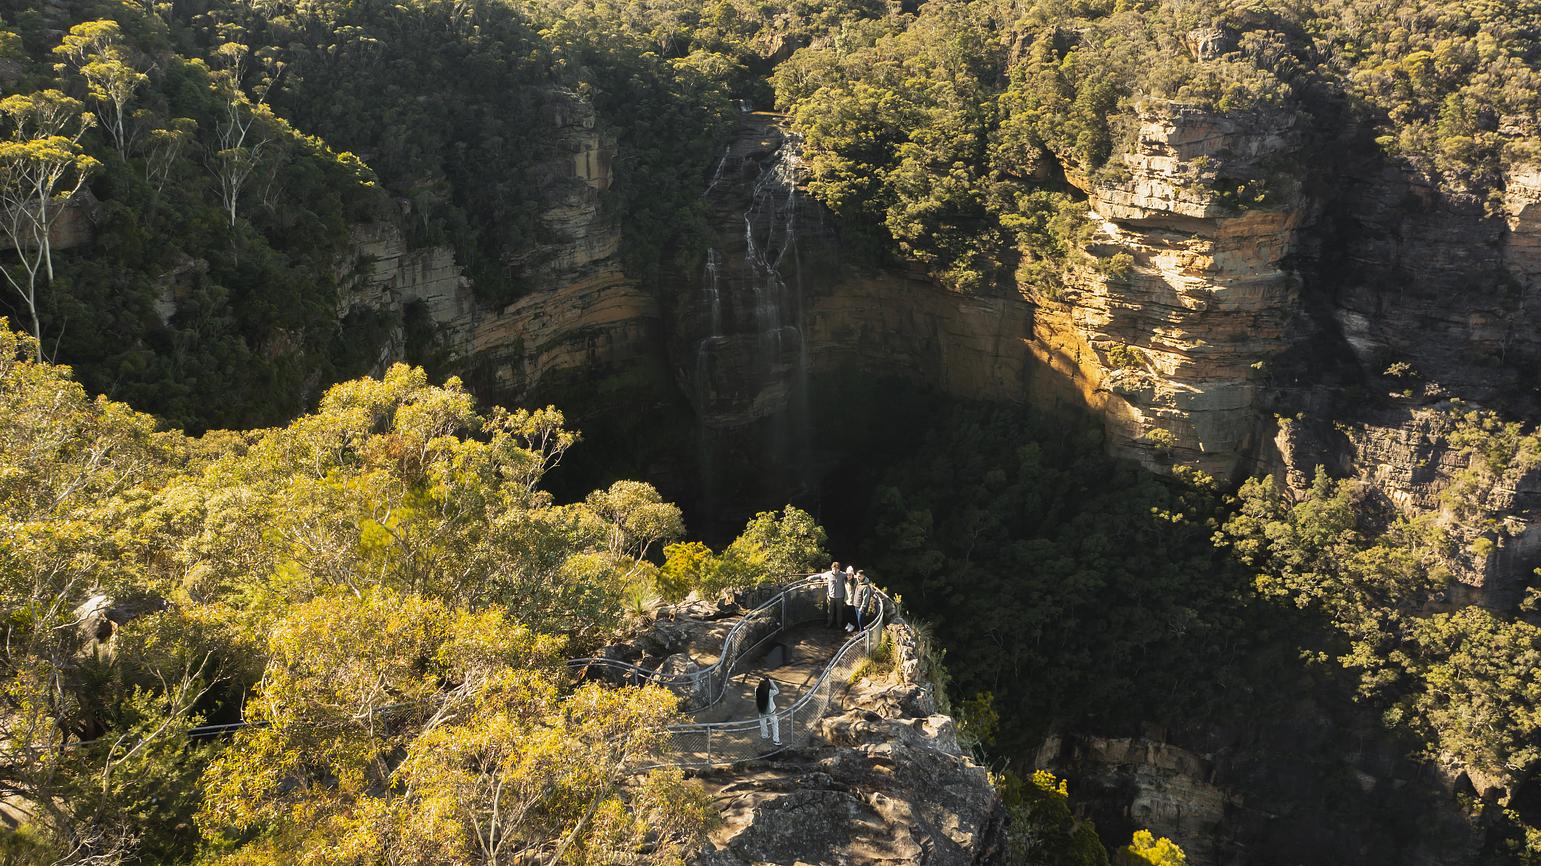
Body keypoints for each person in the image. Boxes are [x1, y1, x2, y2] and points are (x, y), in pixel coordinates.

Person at [755, 676, 781, 746]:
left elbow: (759, 687)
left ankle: (764, 736)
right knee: (775, 724)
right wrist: (772, 683)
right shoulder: (769, 692)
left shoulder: (756, 689)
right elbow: (777, 691)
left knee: (763, 723)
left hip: (762, 711)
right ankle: (776, 740)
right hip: (771, 712)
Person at [823, 561, 845, 629]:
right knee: (830, 611)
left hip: (840, 597)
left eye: (837, 569)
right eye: (834, 569)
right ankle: (829, 623)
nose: (835, 570)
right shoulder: (828, 574)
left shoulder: (843, 574)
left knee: (839, 611)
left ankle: (839, 624)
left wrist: (864, 580)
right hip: (831, 597)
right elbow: (819, 576)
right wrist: (810, 578)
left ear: (839, 569)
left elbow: (852, 576)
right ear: (832, 568)